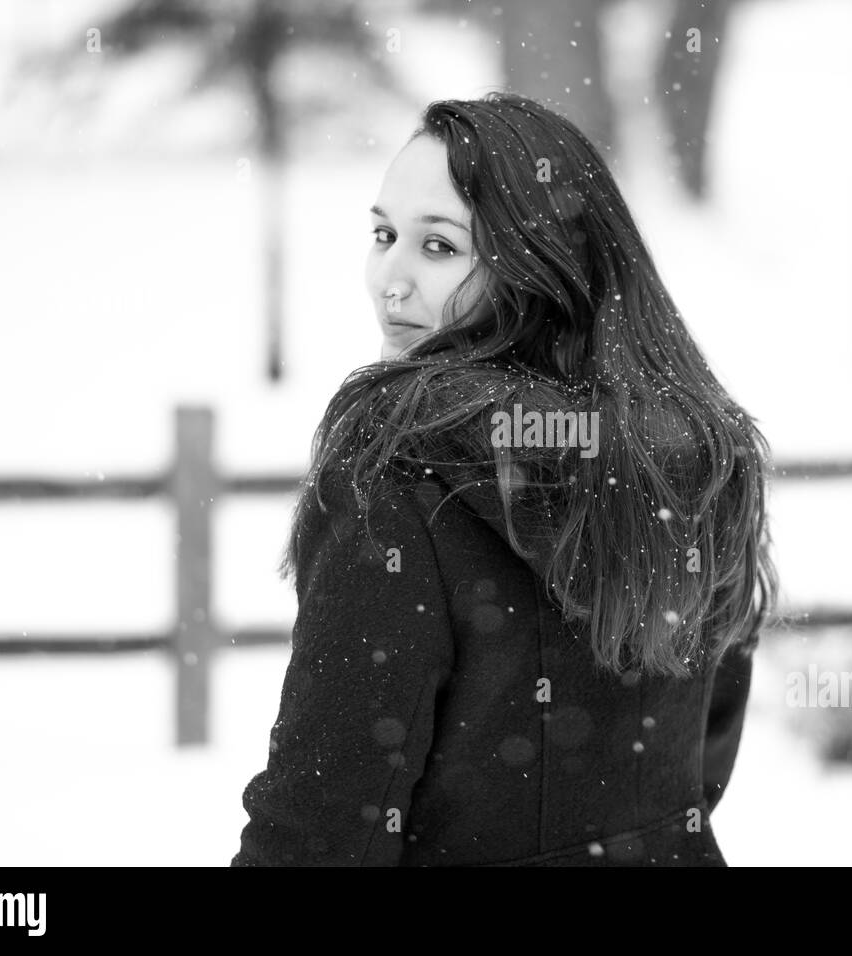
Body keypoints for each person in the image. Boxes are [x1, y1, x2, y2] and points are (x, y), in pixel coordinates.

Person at [230, 91, 780, 866]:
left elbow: (323, 823)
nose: (389, 279)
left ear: (541, 268)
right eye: (384, 234)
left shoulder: (399, 478)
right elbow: (693, 768)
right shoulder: (692, 466)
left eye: (439, 247)